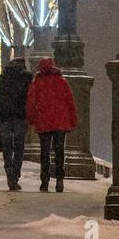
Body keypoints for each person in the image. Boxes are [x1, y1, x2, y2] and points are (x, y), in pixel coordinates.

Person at [26, 57, 77, 193]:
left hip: (44, 122)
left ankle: (45, 180)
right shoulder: (62, 82)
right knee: (59, 150)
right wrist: (73, 120)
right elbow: (70, 102)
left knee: (45, 151)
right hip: (60, 121)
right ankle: (59, 178)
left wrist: (31, 119)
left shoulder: (36, 83)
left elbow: (31, 103)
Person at [0, 55, 31, 191]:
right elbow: (31, 99)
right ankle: (16, 174)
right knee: (19, 146)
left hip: (4, 117)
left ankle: (9, 171)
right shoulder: (27, 78)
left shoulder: (2, 78)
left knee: (7, 146)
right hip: (20, 116)